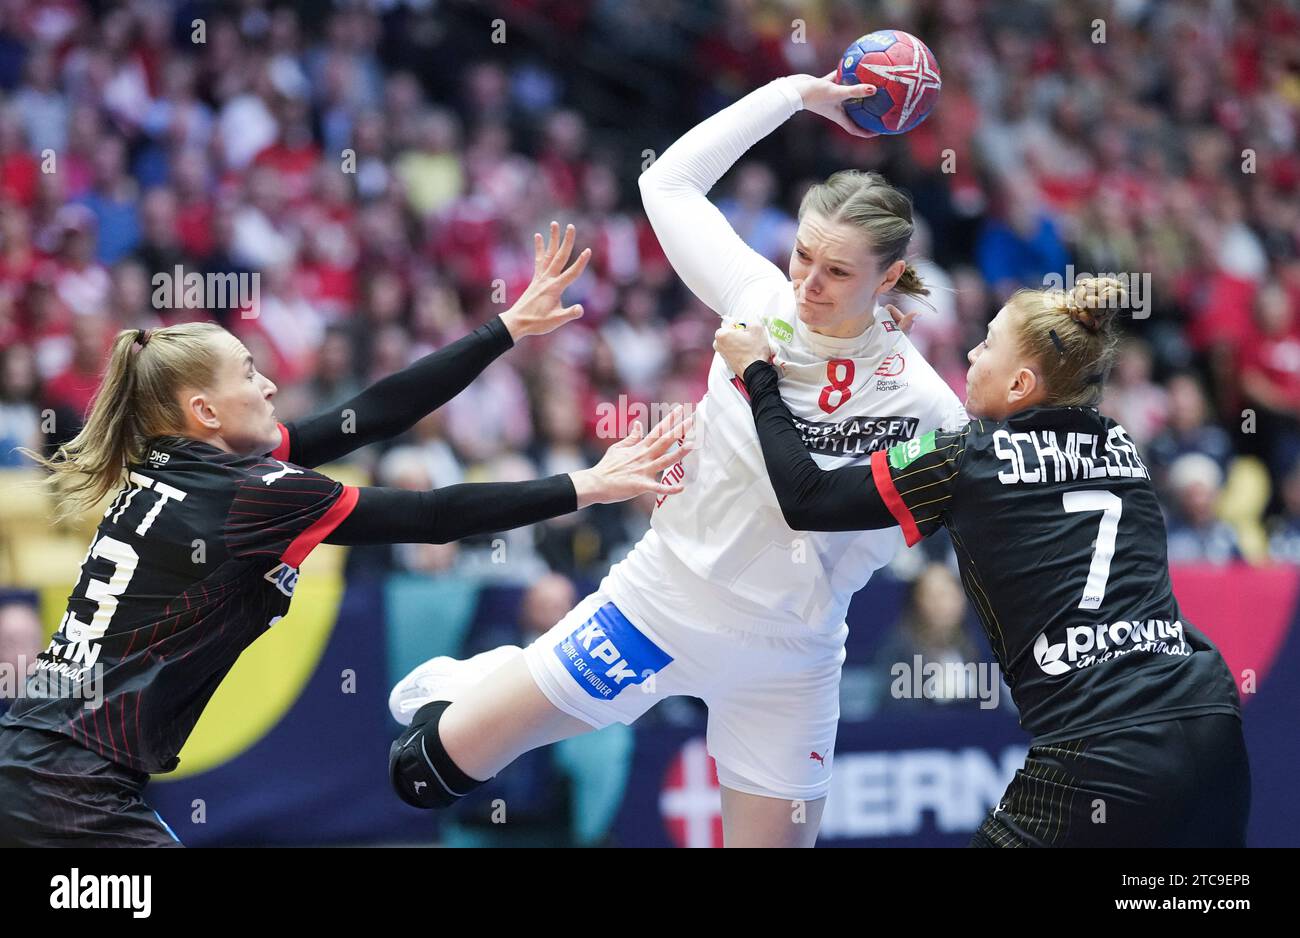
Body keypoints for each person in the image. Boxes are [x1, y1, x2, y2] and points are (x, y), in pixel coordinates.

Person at [387, 73, 967, 847]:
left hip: (789, 659)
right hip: (659, 602)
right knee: (420, 774)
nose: (808, 283)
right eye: (802, 257)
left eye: (837, 273)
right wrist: (794, 92)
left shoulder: (925, 405)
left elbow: (850, 510)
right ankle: (481, 678)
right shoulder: (756, 298)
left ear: (888, 278)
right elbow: (668, 181)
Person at [0, 223, 691, 847]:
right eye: (249, 373)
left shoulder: (176, 471)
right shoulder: (253, 494)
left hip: (41, 763)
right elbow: (430, 515)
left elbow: (371, 414)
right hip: (72, 790)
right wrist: (587, 485)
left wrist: (506, 327)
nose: (270, 384)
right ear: (205, 409)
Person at [714, 276, 1249, 847]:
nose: (972, 353)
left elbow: (806, 498)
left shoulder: (968, 460)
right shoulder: (1123, 445)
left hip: (1102, 743)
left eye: (987, 343)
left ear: (1020, 382)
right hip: (1212, 720)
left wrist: (758, 376)